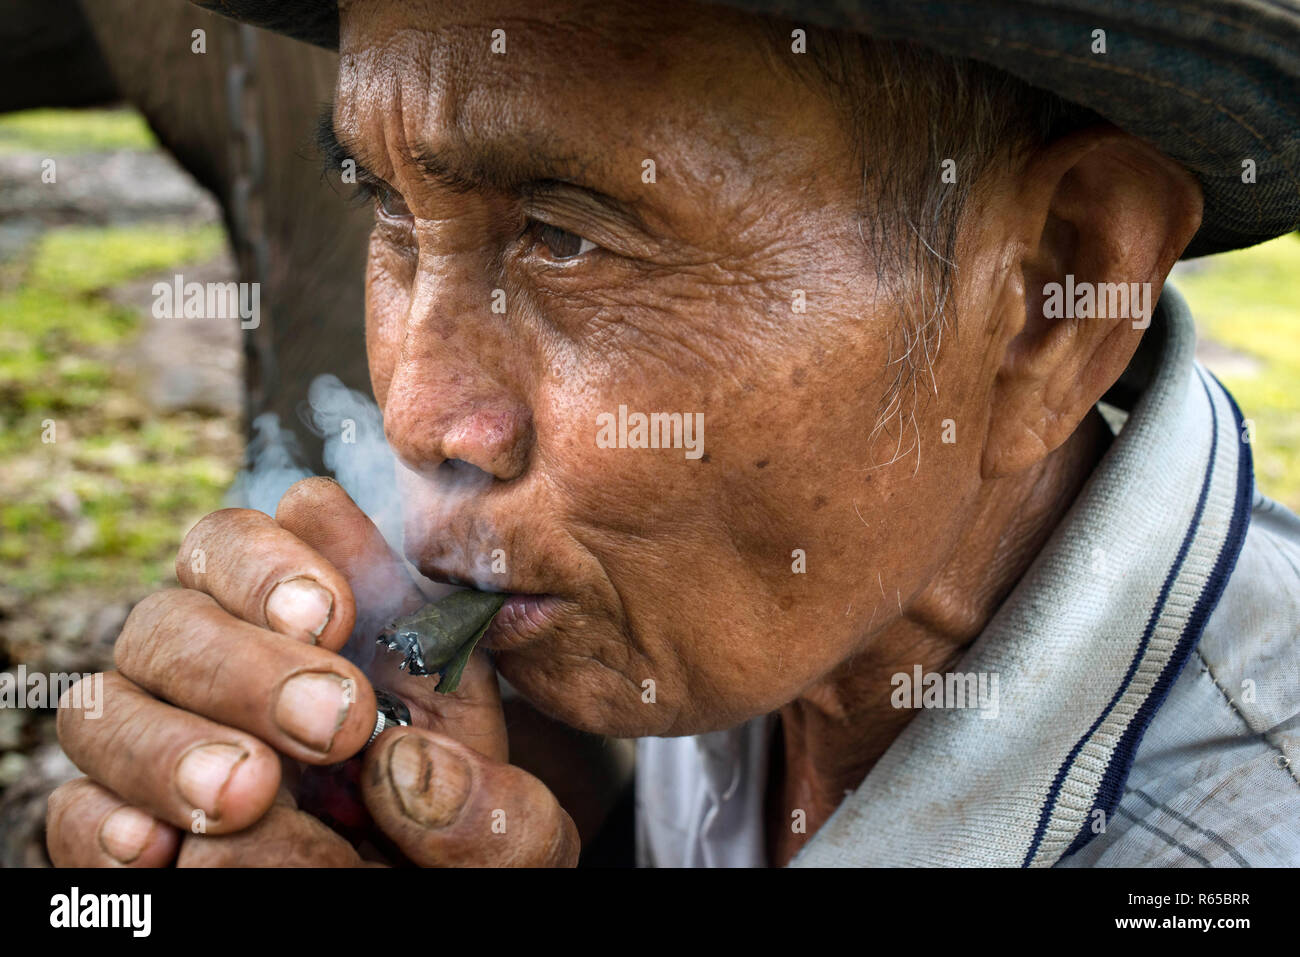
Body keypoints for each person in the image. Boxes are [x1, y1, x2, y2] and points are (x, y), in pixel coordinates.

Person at [47, 0, 1300, 867]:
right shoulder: (767, 615)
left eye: (567, 235)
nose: (420, 415)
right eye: (388, 206)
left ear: (1043, 298)